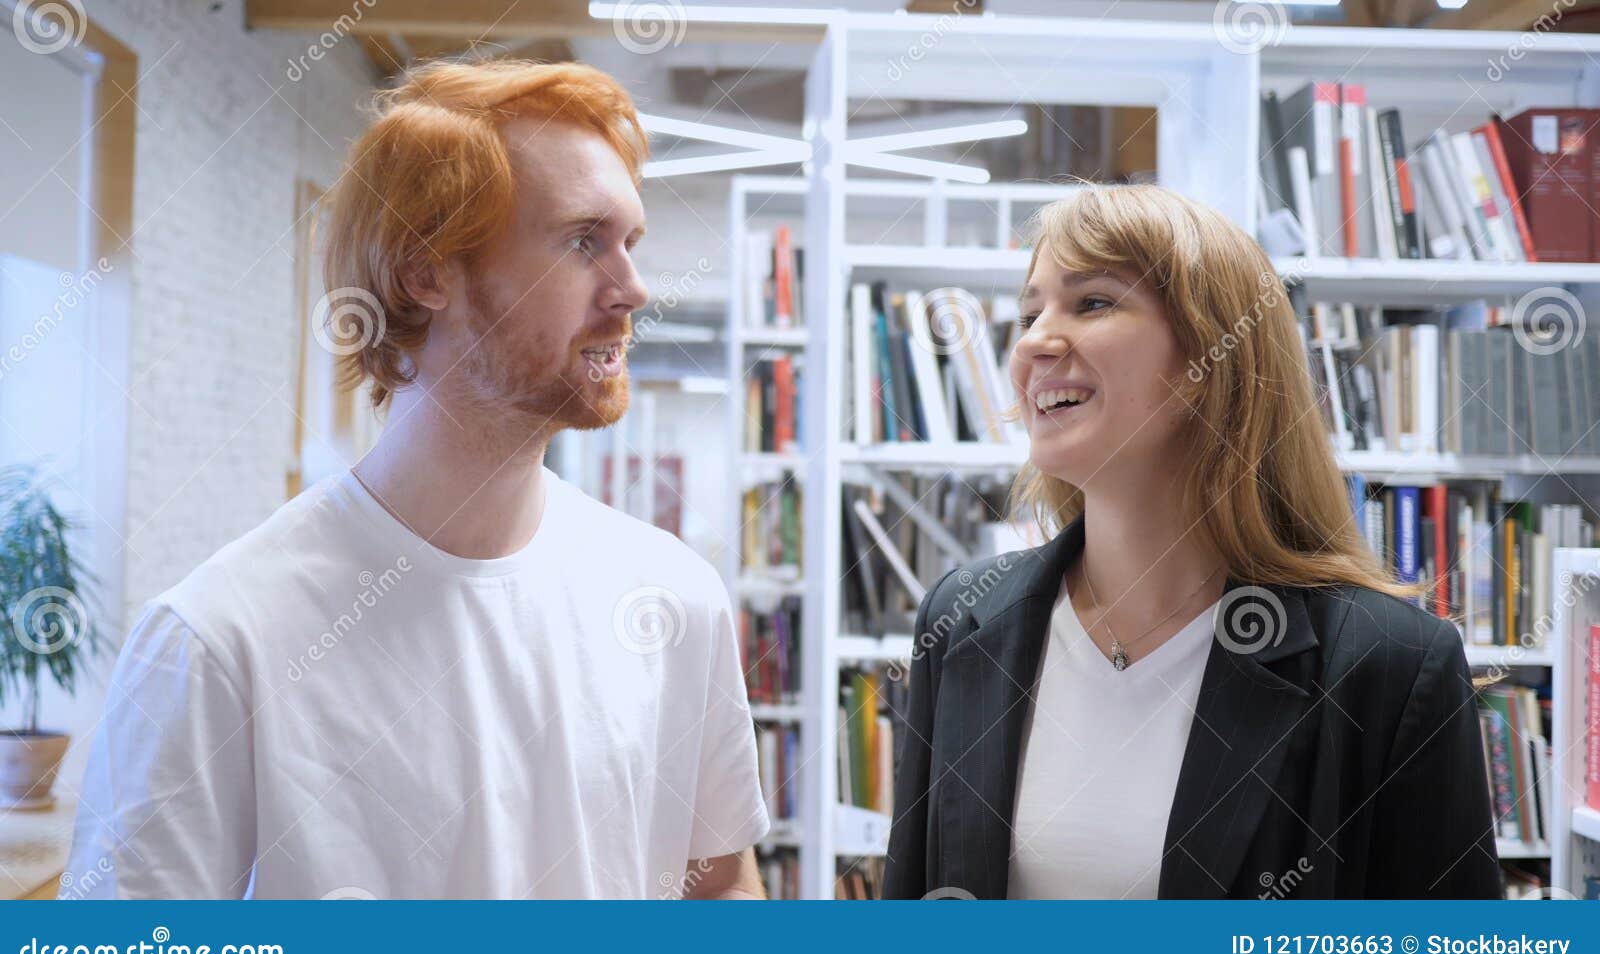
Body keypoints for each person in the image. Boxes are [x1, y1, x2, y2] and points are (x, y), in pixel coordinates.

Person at [62, 60, 769, 899]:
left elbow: (720, 894)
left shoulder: (672, 601)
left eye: (631, 243)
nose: (633, 288)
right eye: (584, 242)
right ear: (425, 273)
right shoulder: (219, 645)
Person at [882, 184, 1501, 900]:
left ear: (1212, 361)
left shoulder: (1388, 667)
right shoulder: (963, 621)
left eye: (1092, 302)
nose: (1031, 344)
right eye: (1029, 312)